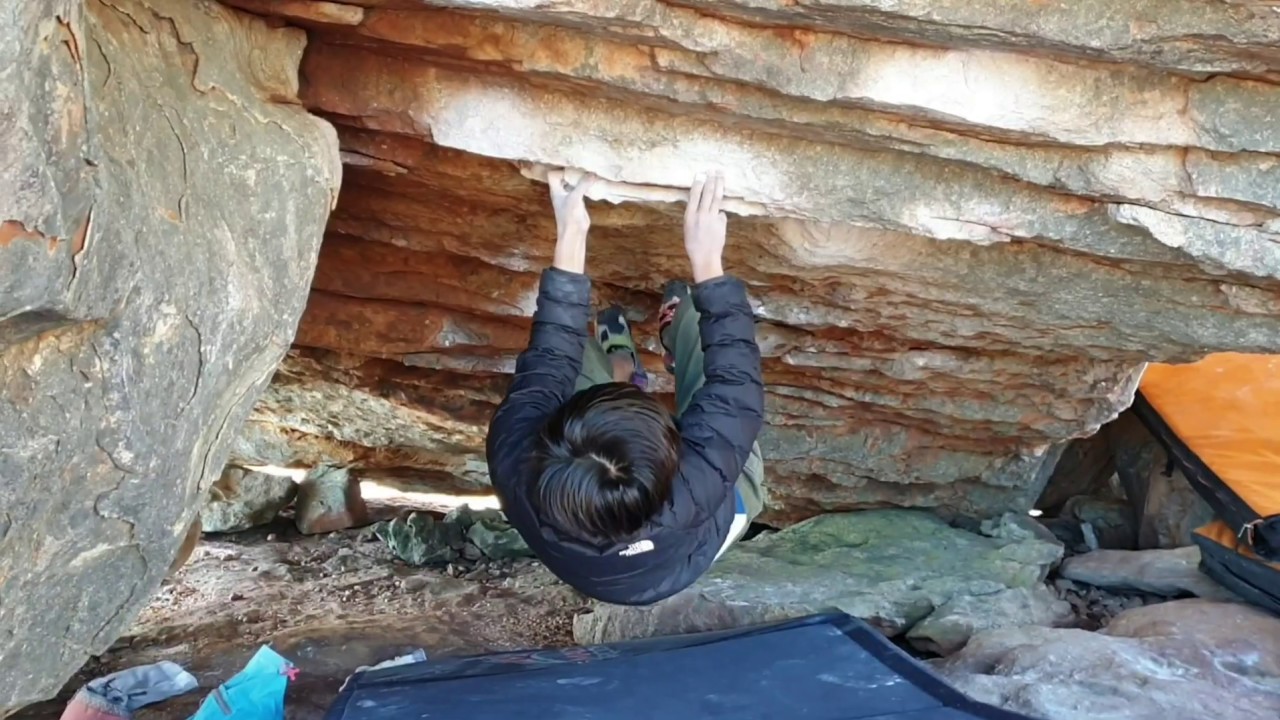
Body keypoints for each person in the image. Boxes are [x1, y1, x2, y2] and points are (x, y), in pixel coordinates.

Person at [484, 168, 766, 606]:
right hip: (691, 550)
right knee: (710, 362)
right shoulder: (697, 484)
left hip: (599, 572)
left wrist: (571, 233)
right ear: (674, 453)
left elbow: (549, 361)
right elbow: (737, 386)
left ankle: (621, 368)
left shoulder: (515, 463)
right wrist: (708, 264)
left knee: (571, 360)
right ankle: (681, 330)